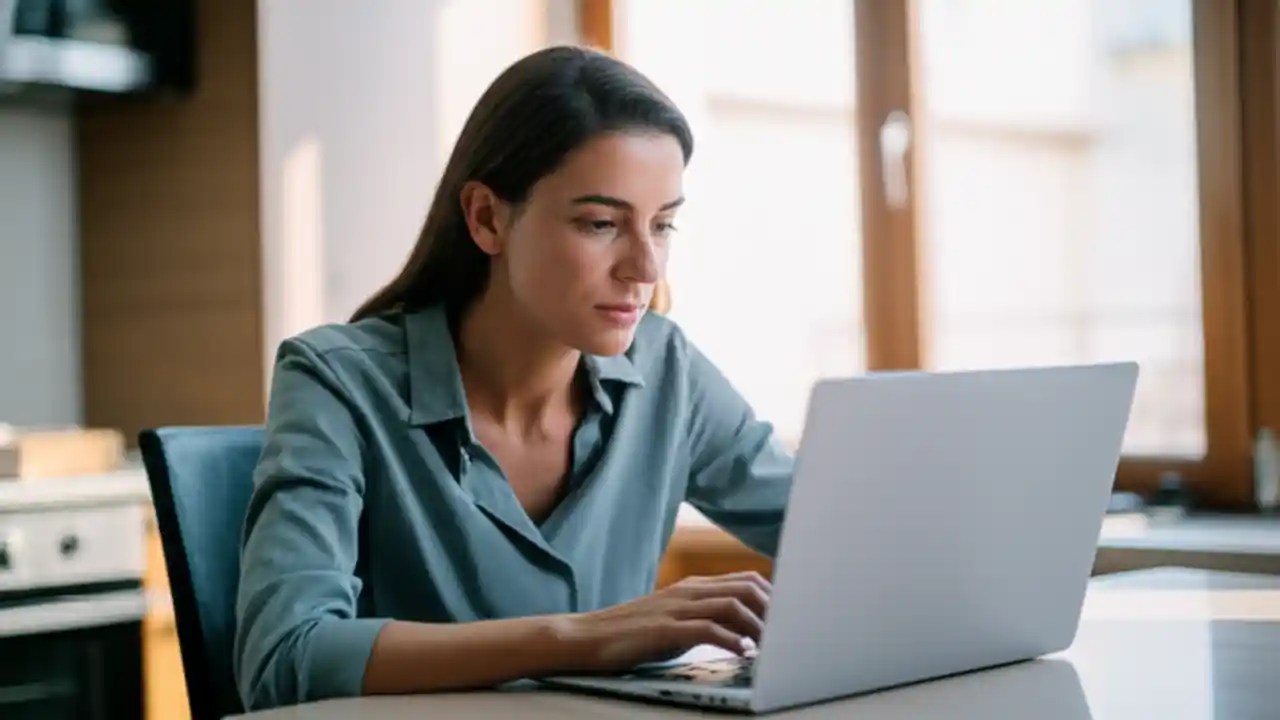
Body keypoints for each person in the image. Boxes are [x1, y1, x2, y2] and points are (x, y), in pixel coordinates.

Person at [234, 45, 794, 711]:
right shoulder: (335, 382)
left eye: (663, 224)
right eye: (600, 223)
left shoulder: (666, 367)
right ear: (487, 218)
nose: (646, 267)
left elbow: (836, 530)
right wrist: (580, 637)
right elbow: (284, 657)